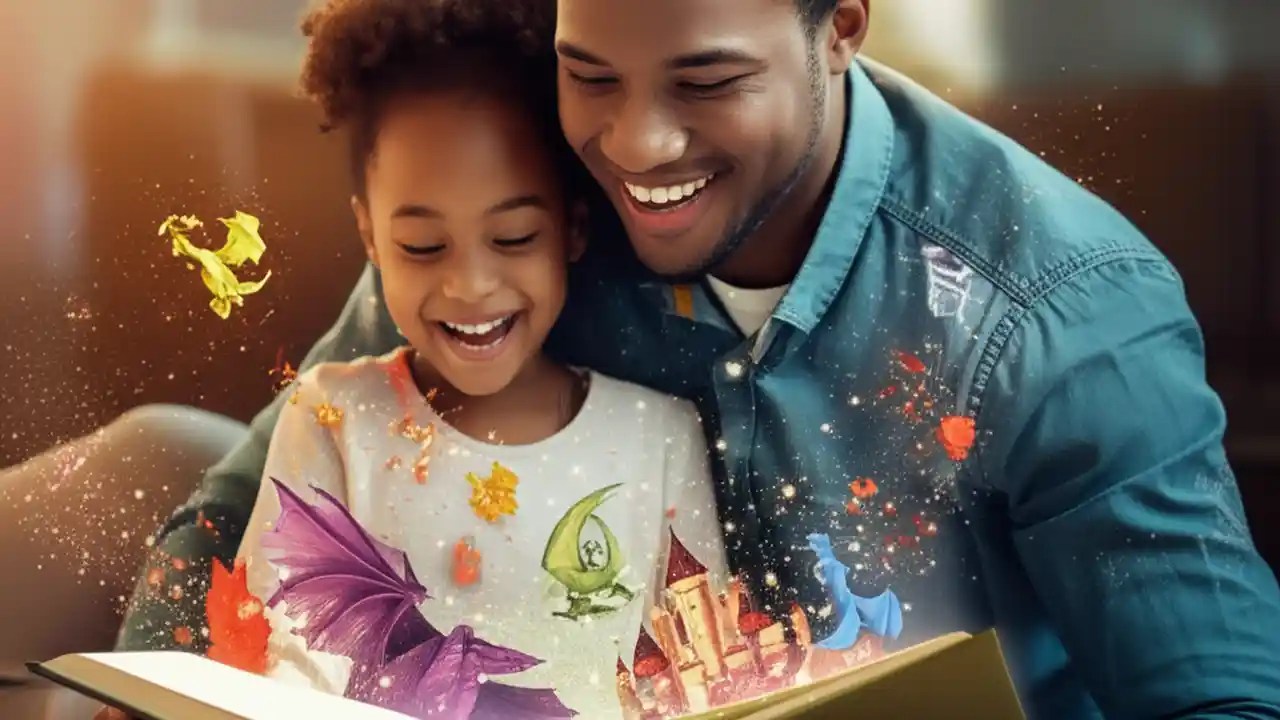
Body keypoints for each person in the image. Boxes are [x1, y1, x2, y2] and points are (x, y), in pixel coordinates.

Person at [93, 0, 1280, 717]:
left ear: (841, 28)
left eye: (706, 81)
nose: (632, 145)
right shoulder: (520, 203)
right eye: (587, 72)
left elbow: (1216, 699)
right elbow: (235, 516)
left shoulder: (1055, 318)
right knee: (145, 454)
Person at [209, 1, 730, 718]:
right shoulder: (332, 418)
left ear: (572, 227)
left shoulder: (660, 435)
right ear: (368, 232)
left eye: (513, 237)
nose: (470, 287)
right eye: (423, 248)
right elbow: (270, 664)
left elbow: (708, 678)